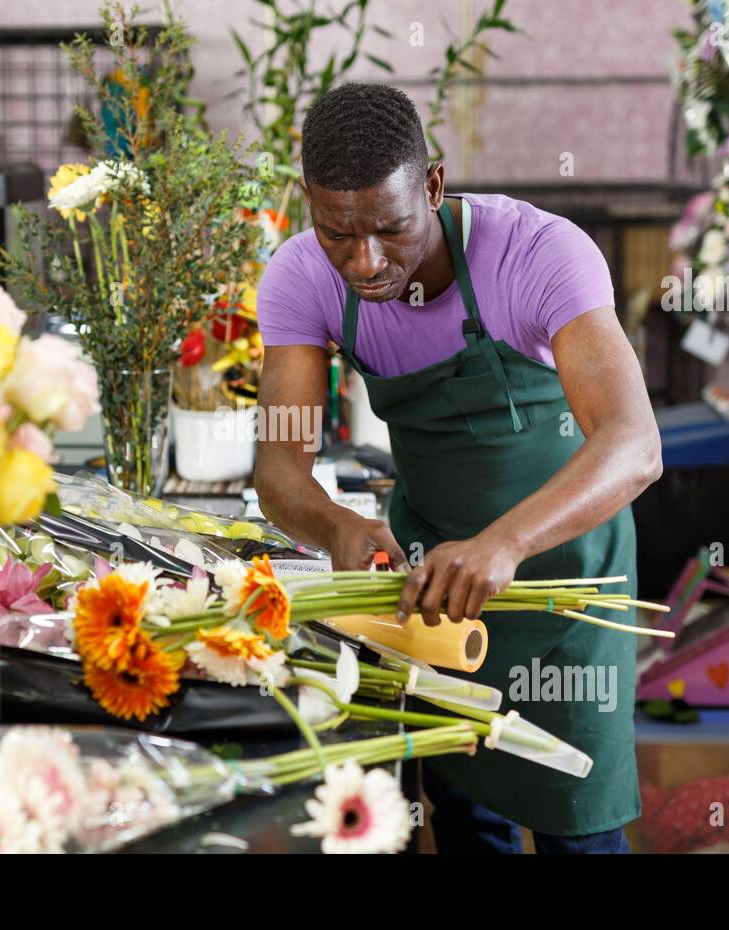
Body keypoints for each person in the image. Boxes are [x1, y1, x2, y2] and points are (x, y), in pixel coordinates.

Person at [254, 83, 662, 853]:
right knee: (465, 809)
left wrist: (504, 544)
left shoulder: (539, 253)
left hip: (568, 576)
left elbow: (634, 443)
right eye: (337, 232)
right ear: (306, 202)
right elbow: (280, 463)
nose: (366, 260)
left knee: (579, 817)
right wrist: (336, 524)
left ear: (433, 186)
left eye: (389, 228)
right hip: (432, 581)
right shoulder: (301, 280)